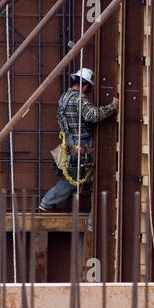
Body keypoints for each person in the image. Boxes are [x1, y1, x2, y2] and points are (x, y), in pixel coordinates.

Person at [38, 67, 118, 212]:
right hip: (81, 145)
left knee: (79, 176)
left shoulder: (64, 97)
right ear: (85, 86)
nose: (88, 93)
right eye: (89, 90)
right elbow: (92, 115)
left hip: (69, 143)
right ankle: (47, 202)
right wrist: (113, 106)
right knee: (75, 178)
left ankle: (48, 202)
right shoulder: (79, 98)